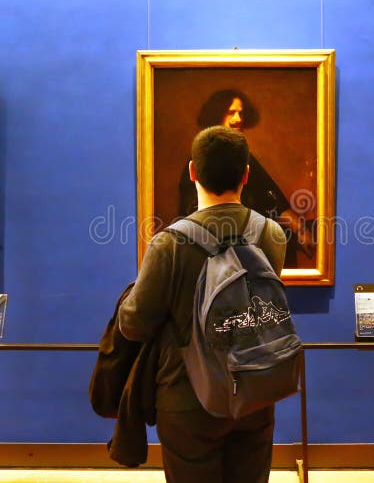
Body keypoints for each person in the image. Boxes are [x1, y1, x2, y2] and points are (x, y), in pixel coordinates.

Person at [119, 126, 287, 483]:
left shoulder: (169, 243)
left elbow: (134, 324)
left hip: (186, 394)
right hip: (254, 387)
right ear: (246, 173)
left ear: (192, 171)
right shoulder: (270, 233)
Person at [177, 89, 313, 265]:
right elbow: (193, 215)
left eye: (240, 113)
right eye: (231, 112)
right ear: (216, 115)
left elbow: (272, 197)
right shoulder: (199, 160)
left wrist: (301, 230)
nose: (238, 119)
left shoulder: (244, 157)